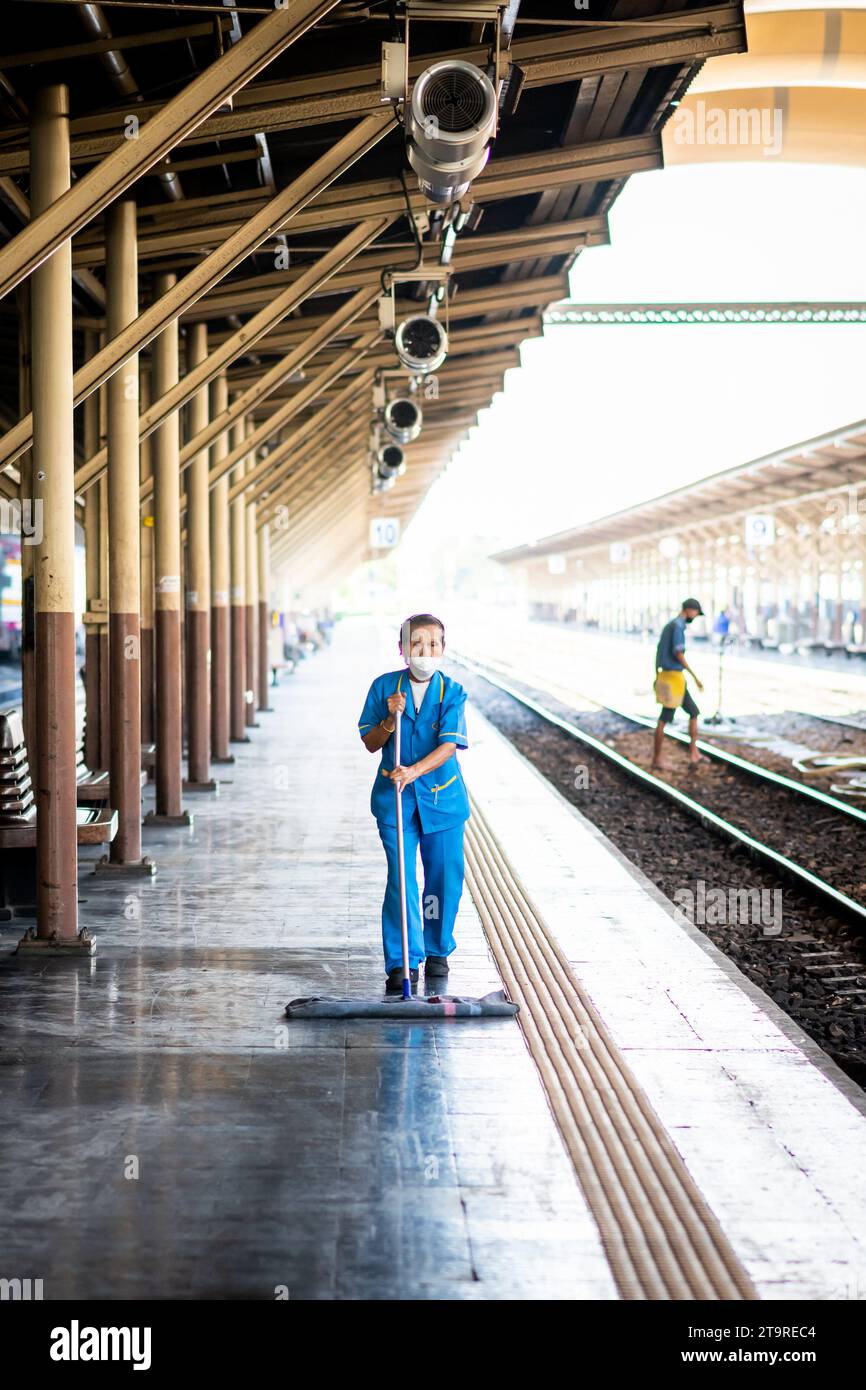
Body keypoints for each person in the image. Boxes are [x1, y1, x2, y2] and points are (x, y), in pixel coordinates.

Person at [358, 614, 470, 992]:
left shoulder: (452, 692)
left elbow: (449, 746)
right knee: (402, 878)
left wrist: (414, 771)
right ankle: (404, 958)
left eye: (433, 644)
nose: (425, 652)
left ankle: (437, 949)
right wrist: (390, 719)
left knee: (443, 877)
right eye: (416, 644)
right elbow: (371, 742)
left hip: (443, 799)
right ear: (402, 648)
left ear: (443, 648)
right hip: (396, 801)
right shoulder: (384, 688)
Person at [652, 598, 705, 769]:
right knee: (665, 718)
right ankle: (657, 759)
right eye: (696, 613)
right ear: (690, 610)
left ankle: (693, 752)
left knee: (693, 711)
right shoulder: (678, 626)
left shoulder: (670, 625)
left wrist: (656, 675)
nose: (695, 617)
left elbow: (658, 651)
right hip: (674, 679)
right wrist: (695, 676)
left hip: (666, 676)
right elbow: (679, 654)